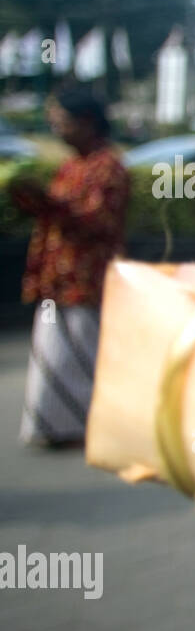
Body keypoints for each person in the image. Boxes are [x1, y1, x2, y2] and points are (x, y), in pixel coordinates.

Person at [12, 88, 130, 448]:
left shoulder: (107, 167)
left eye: (61, 121)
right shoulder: (72, 166)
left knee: (82, 352)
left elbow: (98, 223)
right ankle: (55, 426)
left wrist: (49, 203)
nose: (55, 128)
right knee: (53, 352)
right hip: (57, 277)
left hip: (87, 278)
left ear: (86, 123)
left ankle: (89, 427)